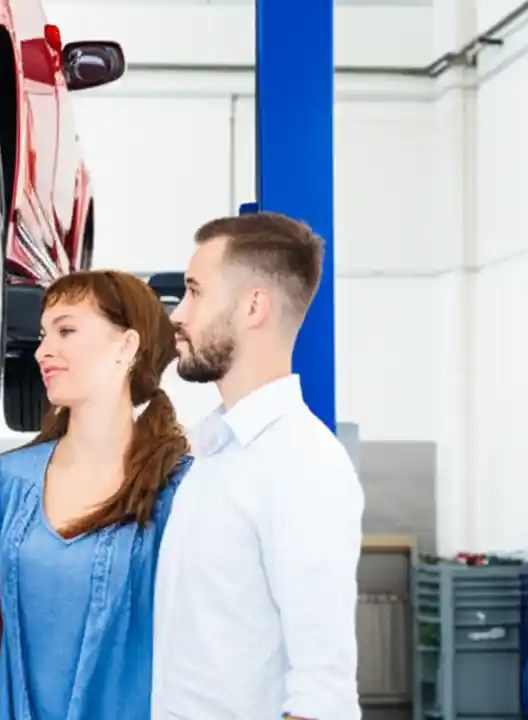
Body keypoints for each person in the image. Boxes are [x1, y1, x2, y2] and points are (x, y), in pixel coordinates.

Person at [0, 269, 194, 719]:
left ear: (127, 346)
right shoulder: (4, 481)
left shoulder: (179, 487)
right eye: (44, 334)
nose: (42, 351)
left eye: (66, 331)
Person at [152, 212, 364, 719]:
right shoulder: (214, 453)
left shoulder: (302, 464)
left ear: (253, 306)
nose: (178, 315)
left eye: (195, 292)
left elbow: (322, 695)